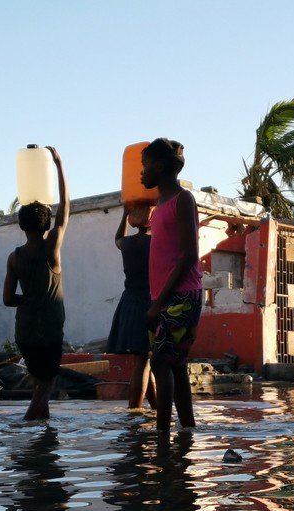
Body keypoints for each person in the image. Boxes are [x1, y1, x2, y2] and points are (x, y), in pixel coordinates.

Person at [140, 138, 203, 432]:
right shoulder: (160, 204)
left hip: (181, 295)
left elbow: (190, 255)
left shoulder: (183, 199)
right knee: (175, 364)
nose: (141, 173)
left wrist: (159, 302)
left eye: (145, 166)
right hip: (167, 296)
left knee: (160, 363)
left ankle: (162, 435)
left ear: (159, 167)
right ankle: (187, 429)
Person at [2, 146, 68, 421]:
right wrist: (59, 165)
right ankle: (25, 427)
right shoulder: (51, 248)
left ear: (21, 225)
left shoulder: (14, 257)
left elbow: (8, 299)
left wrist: (29, 299)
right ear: (47, 224)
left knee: (40, 383)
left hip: (25, 332)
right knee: (48, 384)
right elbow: (65, 209)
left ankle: (44, 434)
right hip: (48, 330)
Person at [108, 205, 156, 410]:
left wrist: (124, 214)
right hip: (148, 303)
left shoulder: (127, 243)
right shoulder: (155, 243)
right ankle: (134, 412)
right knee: (143, 361)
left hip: (129, 302)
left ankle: (156, 408)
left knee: (144, 360)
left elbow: (117, 238)